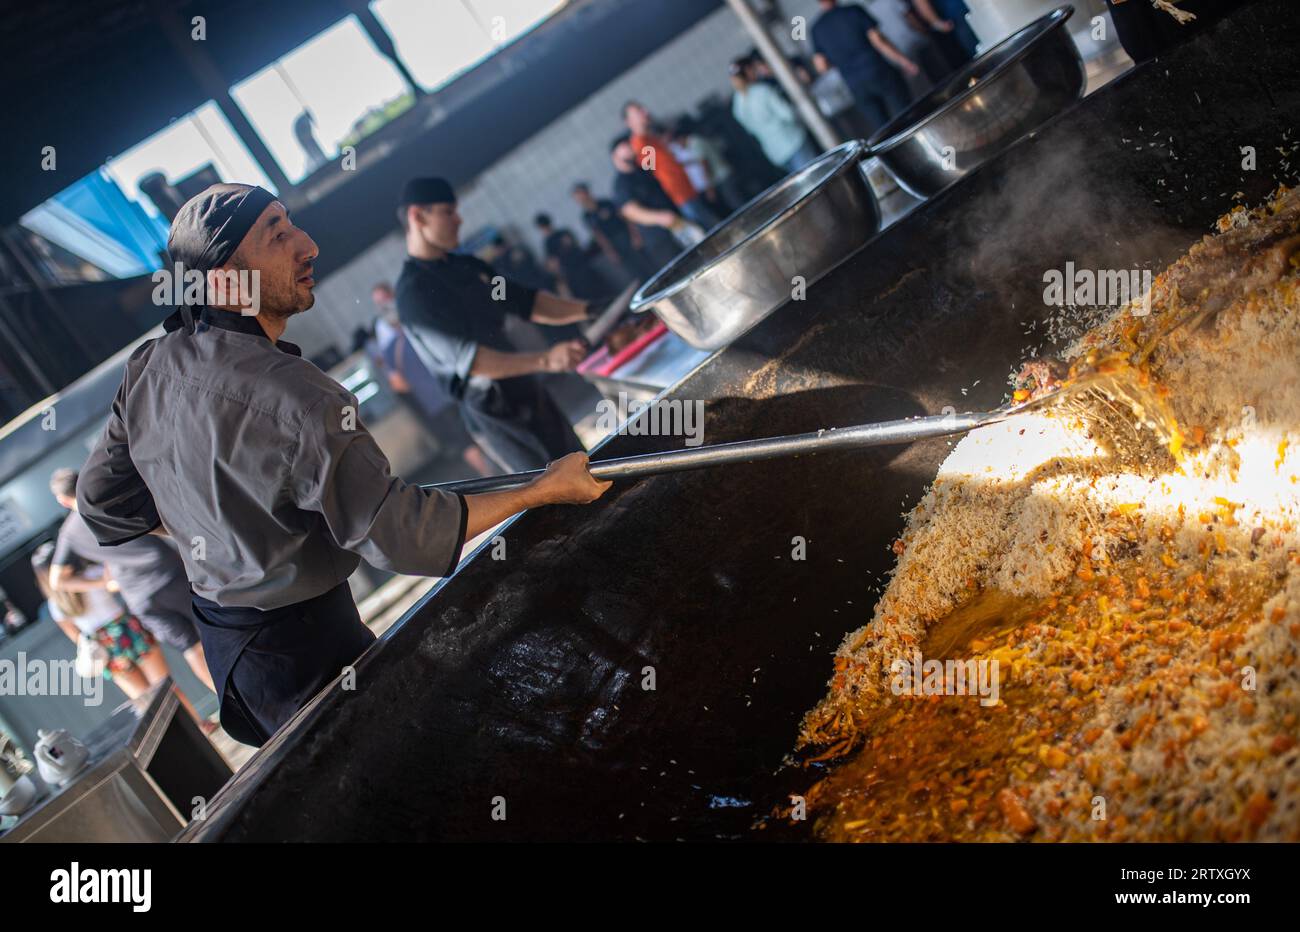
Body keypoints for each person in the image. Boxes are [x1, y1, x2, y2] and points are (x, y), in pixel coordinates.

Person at [75, 182, 612, 747]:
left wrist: (214, 530)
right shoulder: (299, 397)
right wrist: (543, 490)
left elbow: (103, 504)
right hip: (309, 657)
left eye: (292, 224)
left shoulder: (150, 366)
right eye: (277, 235)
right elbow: (402, 534)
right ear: (226, 277)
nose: (308, 246)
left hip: (237, 655)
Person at [395, 177, 596, 475]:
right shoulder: (413, 293)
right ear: (417, 216)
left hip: (527, 388)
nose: (458, 219)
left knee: (583, 468)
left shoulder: (468, 267)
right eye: (448, 212)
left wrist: (589, 309)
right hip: (493, 411)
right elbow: (473, 360)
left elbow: (526, 302)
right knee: (553, 490)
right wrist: (547, 359)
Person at [48, 468, 214, 694]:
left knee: (192, 650)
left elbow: (57, 580)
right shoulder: (112, 498)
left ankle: (233, 707)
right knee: (217, 632)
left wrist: (103, 584)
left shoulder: (69, 533)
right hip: (168, 574)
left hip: (139, 597)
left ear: (62, 501)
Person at [811, 0, 921, 133]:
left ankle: (898, 153)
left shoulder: (816, 29)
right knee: (907, 115)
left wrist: (839, 58)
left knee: (883, 130)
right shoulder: (853, 11)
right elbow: (879, 41)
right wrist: (904, 61)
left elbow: (821, 66)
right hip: (879, 71)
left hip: (855, 85)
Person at [622, 101, 721, 231]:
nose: (645, 112)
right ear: (629, 122)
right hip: (680, 198)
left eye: (642, 109)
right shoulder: (641, 143)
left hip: (688, 191)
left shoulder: (650, 139)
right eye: (638, 111)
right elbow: (650, 174)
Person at [610, 134, 703, 268]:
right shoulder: (621, 184)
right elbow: (630, 211)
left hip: (678, 224)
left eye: (629, 145)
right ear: (615, 156)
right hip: (659, 238)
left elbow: (650, 151)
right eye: (624, 147)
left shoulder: (643, 169)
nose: (630, 148)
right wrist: (659, 217)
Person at [729, 58, 822, 174]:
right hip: (792, 142)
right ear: (748, 71)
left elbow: (751, 130)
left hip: (775, 152)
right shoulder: (763, 91)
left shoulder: (737, 104)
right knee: (817, 175)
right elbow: (788, 114)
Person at [572, 182, 654, 280]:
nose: (581, 200)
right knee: (635, 271)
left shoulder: (605, 203)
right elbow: (599, 236)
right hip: (615, 244)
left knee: (647, 263)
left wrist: (635, 235)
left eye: (581, 196)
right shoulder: (587, 217)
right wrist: (609, 251)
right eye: (578, 198)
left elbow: (625, 218)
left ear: (587, 193)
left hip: (626, 236)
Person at [667, 117, 743, 218]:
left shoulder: (695, 143)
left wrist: (708, 186)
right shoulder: (695, 141)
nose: (679, 146)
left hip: (723, 177)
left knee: (736, 203)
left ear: (681, 138)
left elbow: (704, 164)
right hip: (722, 177)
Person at [534, 213, 609, 302]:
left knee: (591, 295)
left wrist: (559, 275)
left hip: (575, 271)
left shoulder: (549, 242)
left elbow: (554, 263)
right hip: (580, 267)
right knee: (598, 291)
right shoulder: (564, 233)